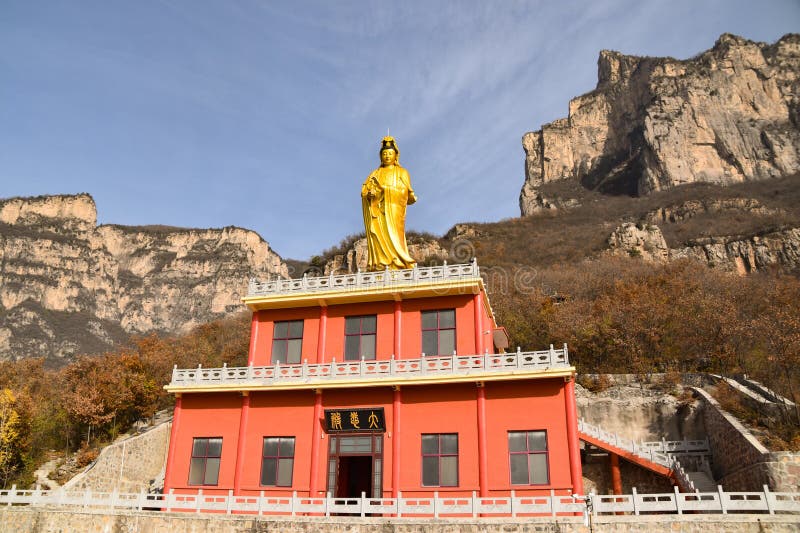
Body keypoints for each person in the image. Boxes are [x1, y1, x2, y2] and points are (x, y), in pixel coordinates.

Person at [361, 136, 418, 271]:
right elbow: (365, 191)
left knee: (394, 236)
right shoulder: (375, 173)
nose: (387, 156)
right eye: (384, 153)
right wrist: (370, 195)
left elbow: (405, 192)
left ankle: (397, 261)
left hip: (393, 210)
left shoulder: (401, 172)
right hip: (378, 212)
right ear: (381, 156)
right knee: (377, 235)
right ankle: (380, 263)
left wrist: (384, 189)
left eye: (390, 153)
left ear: (395, 155)